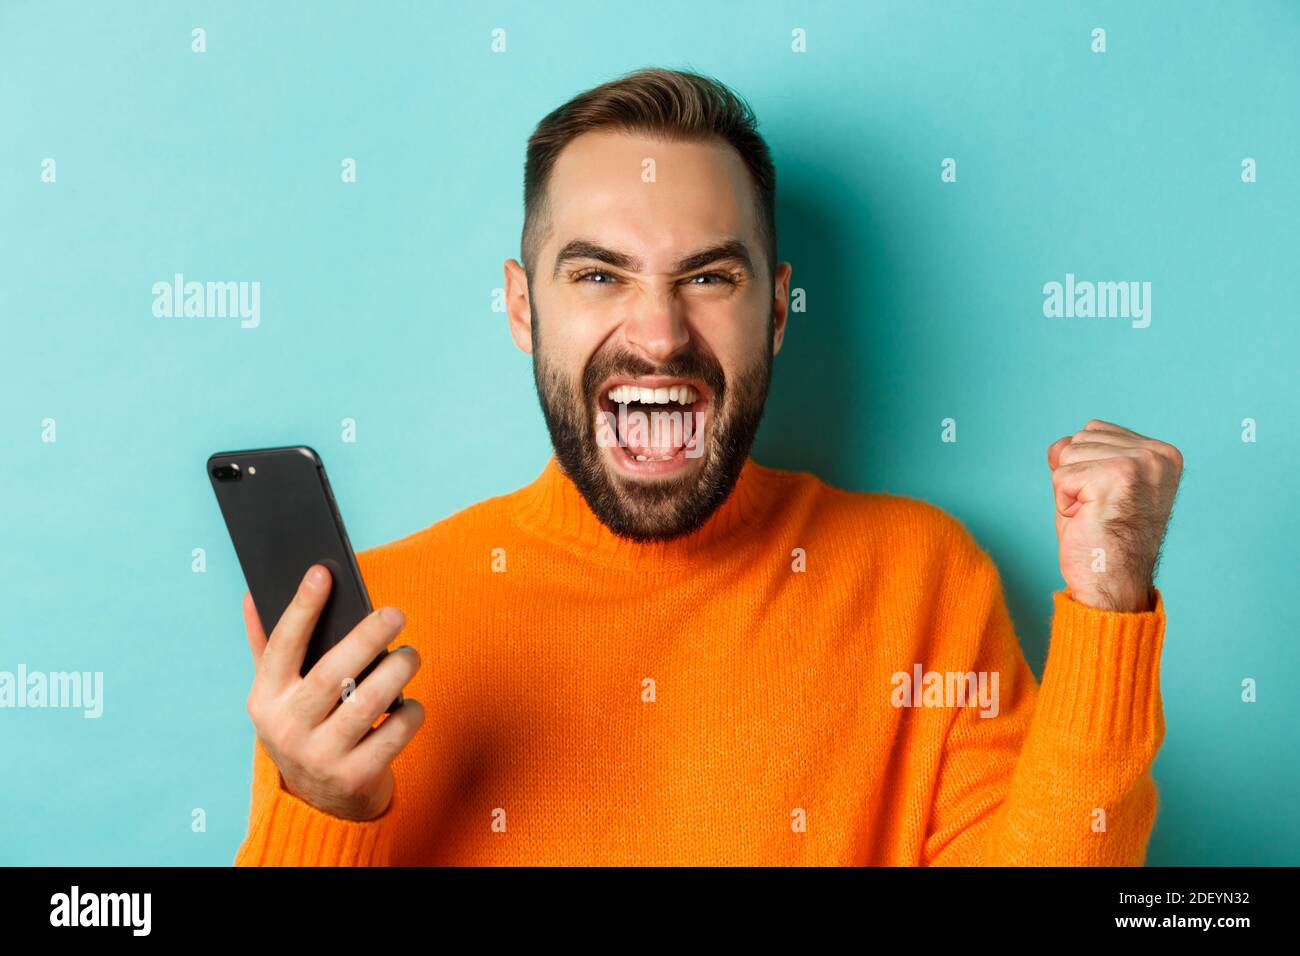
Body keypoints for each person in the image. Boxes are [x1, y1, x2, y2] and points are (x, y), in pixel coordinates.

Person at [234, 67, 1183, 866]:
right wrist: (320, 808)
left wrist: (1109, 610)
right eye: (599, 275)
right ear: (524, 310)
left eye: (708, 277)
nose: (657, 334)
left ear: (775, 312)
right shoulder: (378, 628)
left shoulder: (921, 579)